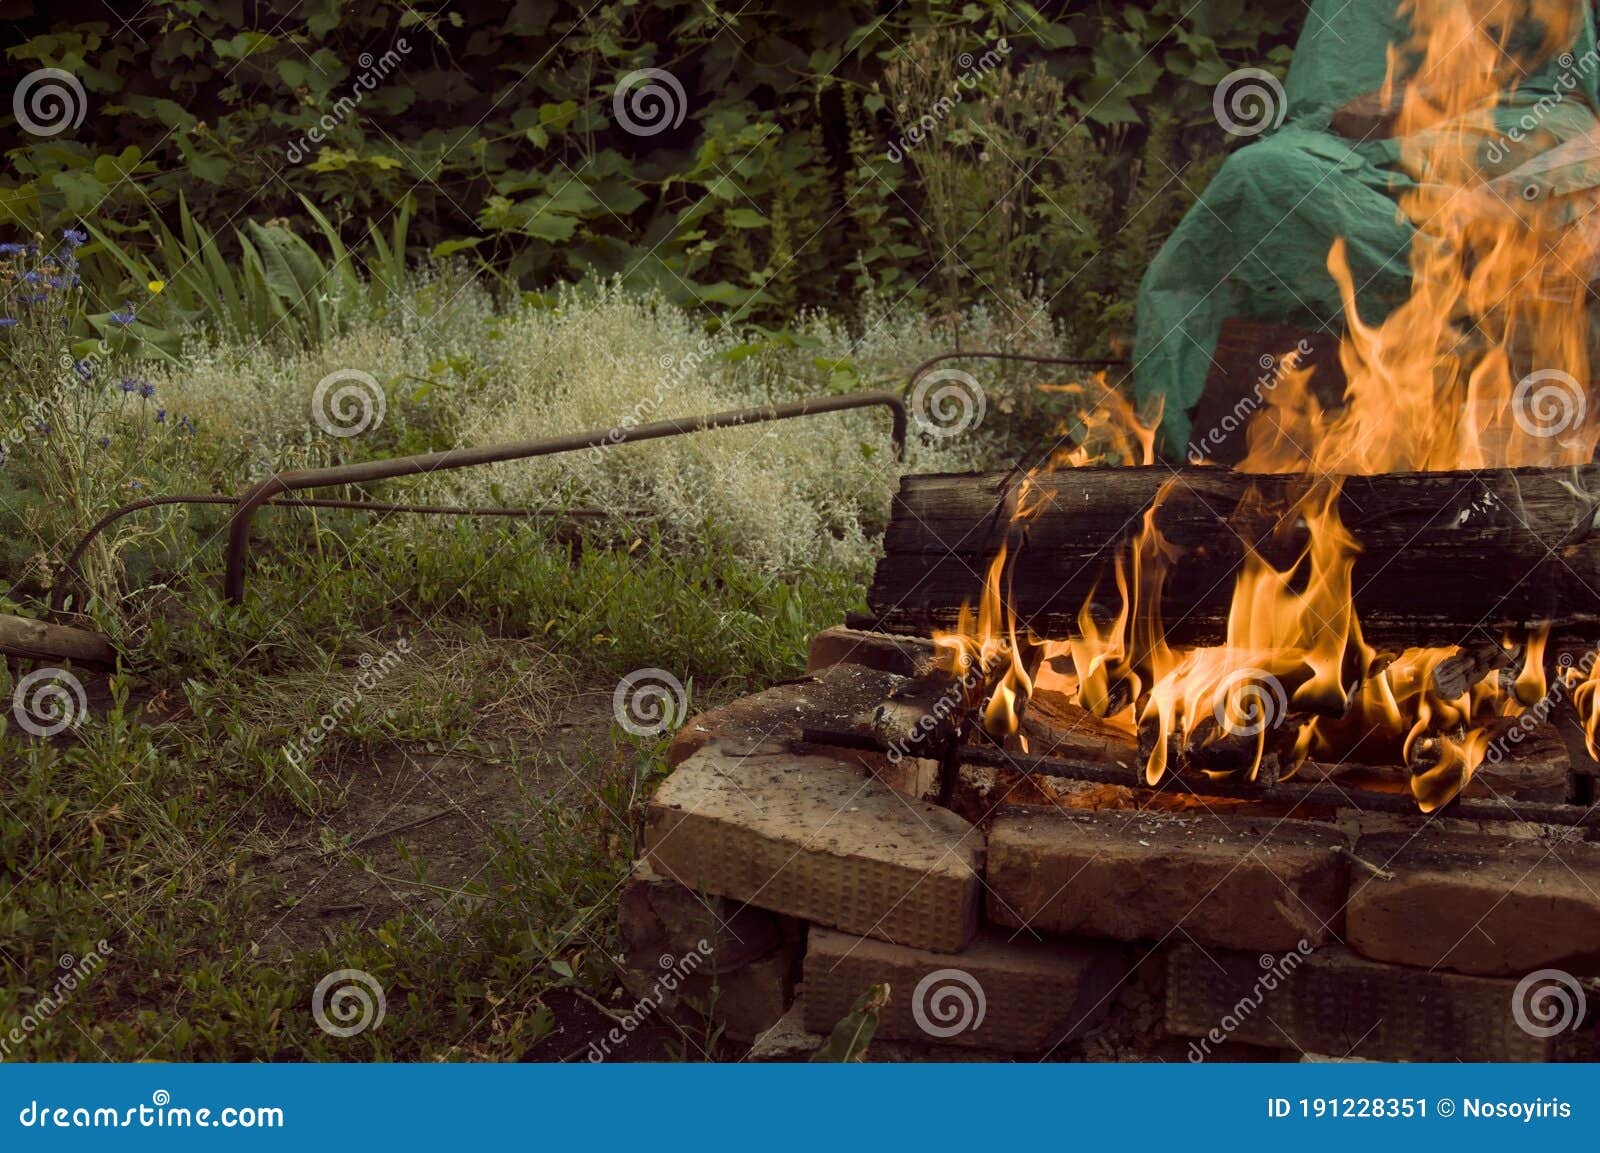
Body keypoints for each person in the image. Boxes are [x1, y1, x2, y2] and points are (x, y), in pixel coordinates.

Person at [1132, 0, 1600, 454]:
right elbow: (1334, 108)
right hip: (1369, 154)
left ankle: (1453, 280)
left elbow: (1567, 95)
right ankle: (1198, 436)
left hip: (1518, 130)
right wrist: (1408, 105)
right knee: (1260, 174)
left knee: (1545, 181)